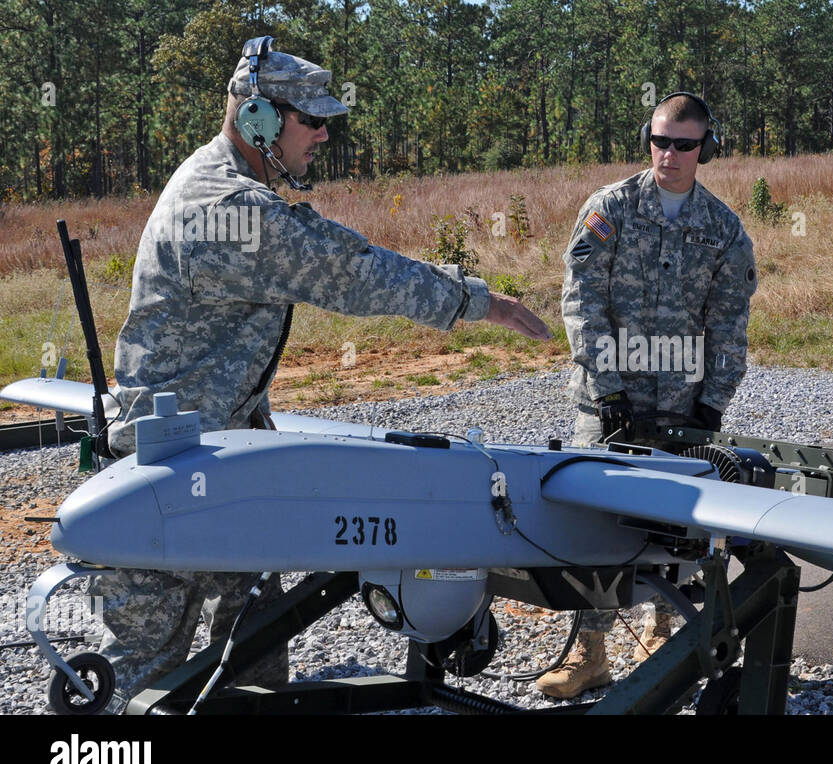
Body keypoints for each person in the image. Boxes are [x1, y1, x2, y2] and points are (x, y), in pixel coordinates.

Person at [90, 37, 550, 713]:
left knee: (251, 657)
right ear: (259, 121)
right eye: (312, 119)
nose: (325, 132)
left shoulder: (225, 184)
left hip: (213, 469)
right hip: (170, 483)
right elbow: (352, 273)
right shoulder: (229, 210)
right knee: (140, 685)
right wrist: (483, 303)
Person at [536, 92, 757, 699]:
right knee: (592, 527)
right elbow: (582, 304)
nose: (670, 154)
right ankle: (590, 654)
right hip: (607, 404)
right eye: (660, 140)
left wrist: (712, 402)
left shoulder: (724, 230)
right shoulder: (610, 209)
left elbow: (730, 326)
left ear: (705, 148)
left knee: (677, 527)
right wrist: (607, 388)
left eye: (684, 144)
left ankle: (665, 634)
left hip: (680, 408)